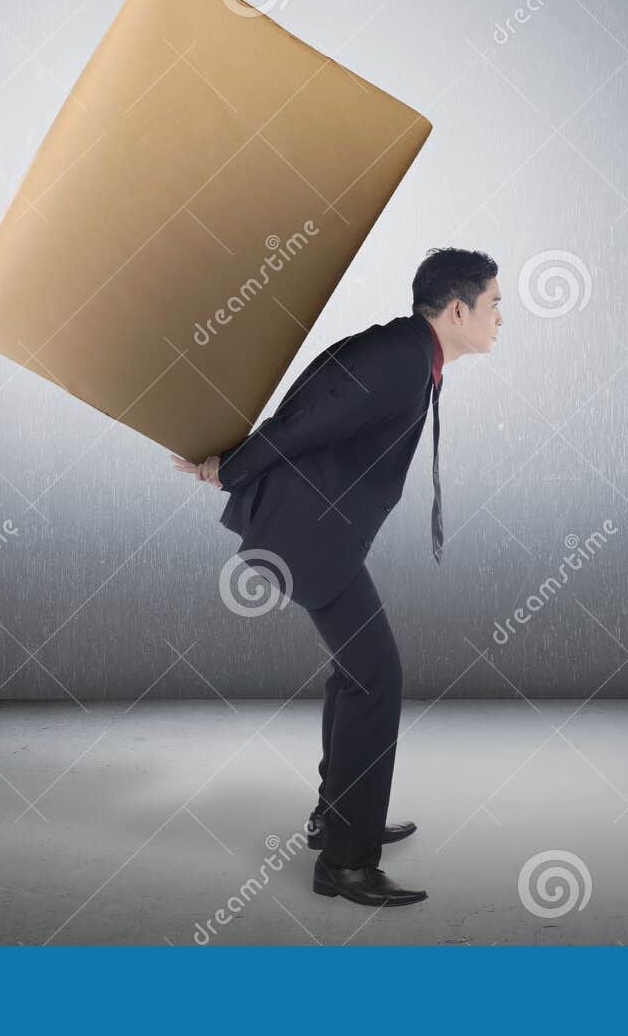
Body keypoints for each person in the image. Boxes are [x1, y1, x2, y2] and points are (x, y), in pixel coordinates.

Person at [170, 247, 501, 906]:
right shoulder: (400, 359)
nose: (501, 319)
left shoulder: (411, 354)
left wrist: (232, 466)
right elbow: (308, 418)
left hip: (319, 534)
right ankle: (347, 864)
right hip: (309, 538)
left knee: (359, 673)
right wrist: (228, 468)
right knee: (377, 677)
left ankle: (337, 818)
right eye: (496, 305)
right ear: (458, 309)